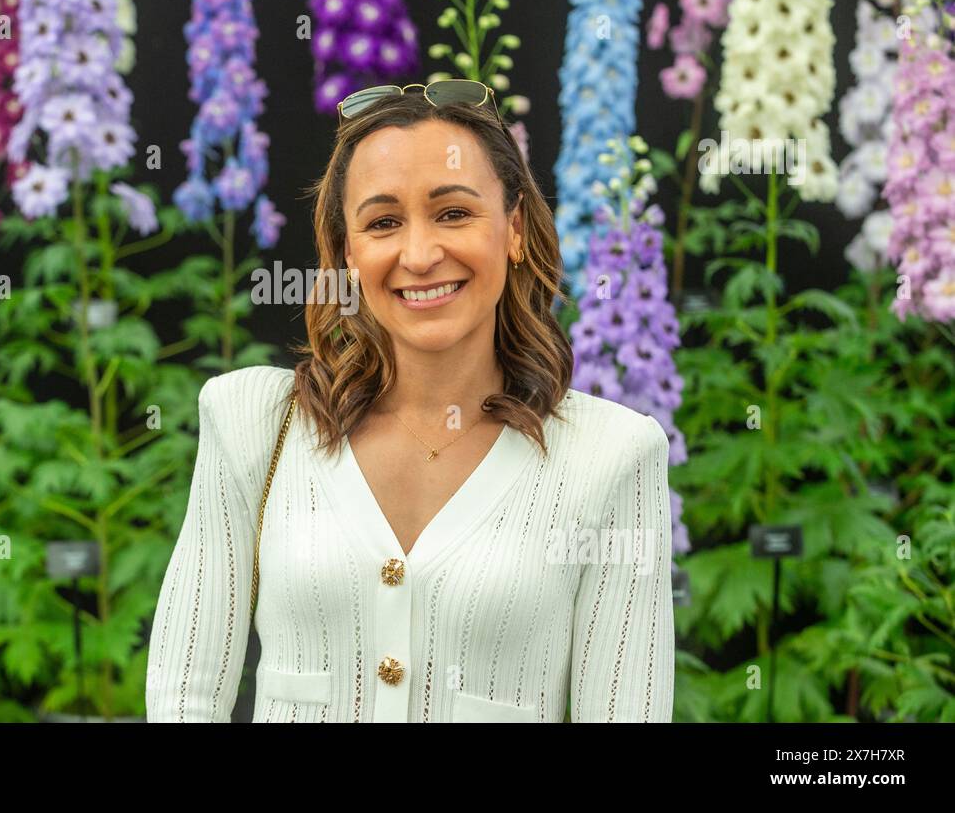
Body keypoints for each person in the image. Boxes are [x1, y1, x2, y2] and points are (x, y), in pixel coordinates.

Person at [146, 81, 674, 722]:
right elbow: (184, 699)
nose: (420, 255)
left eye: (454, 213)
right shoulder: (252, 423)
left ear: (512, 229)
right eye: (383, 222)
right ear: (348, 252)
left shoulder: (612, 455)